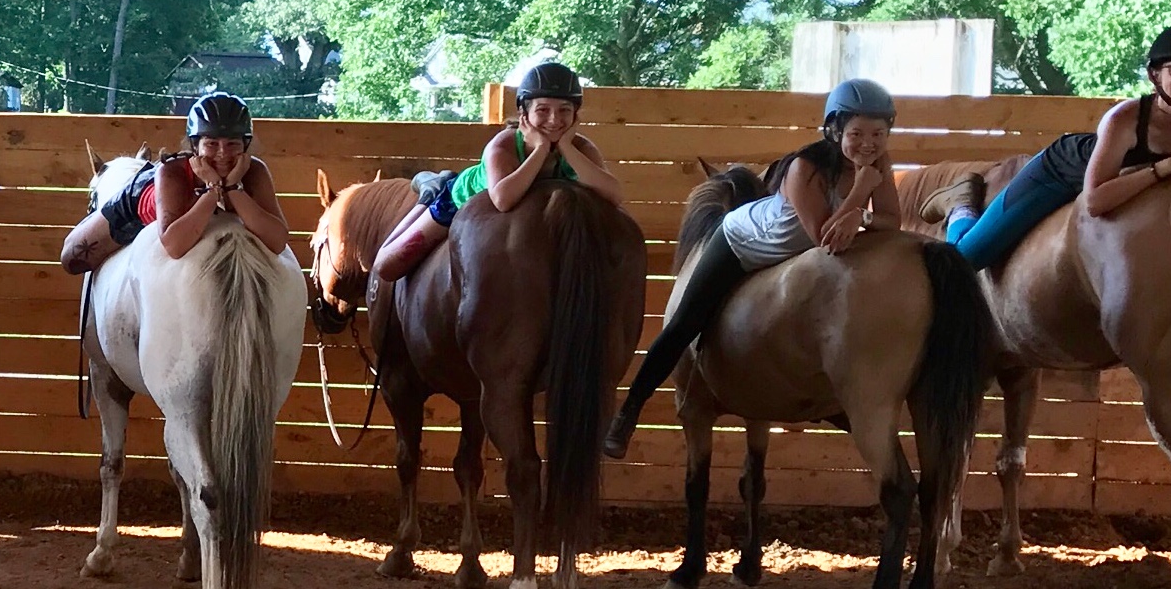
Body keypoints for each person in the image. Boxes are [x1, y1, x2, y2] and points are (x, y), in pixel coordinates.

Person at [604, 78, 906, 458]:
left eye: (879, 133)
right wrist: (862, 192)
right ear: (834, 131)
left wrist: (861, 213)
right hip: (745, 242)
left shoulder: (878, 164)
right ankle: (629, 411)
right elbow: (824, 240)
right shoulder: (805, 168)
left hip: (793, 256)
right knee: (685, 323)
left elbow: (892, 220)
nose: (869, 144)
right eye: (857, 133)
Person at [936, 23, 1171, 269]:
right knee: (966, 260)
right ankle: (959, 204)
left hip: (1130, 187)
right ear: (1154, 75)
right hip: (1063, 172)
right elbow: (1095, 202)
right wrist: (1169, 166)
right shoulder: (1124, 118)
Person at [370, 61, 628, 282]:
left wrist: (565, 148)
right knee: (388, 266)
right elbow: (503, 200)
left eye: (564, 111)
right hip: (460, 198)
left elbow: (614, 195)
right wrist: (540, 151)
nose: (554, 119)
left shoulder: (581, 147)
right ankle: (431, 193)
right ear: (524, 113)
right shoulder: (502, 144)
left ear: (576, 116)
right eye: (542, 110)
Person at [58, 93, 287, 273]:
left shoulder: (254, 169)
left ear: (245, 146)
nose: (222, 154)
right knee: (72, 258)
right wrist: (213, 191)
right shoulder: (172, 172)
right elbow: (175, 246)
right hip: (137, 203)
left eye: (233, 144)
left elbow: (277, 241)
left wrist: (231, 188)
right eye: (211, 144)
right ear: (195, 146)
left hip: (205, 196)